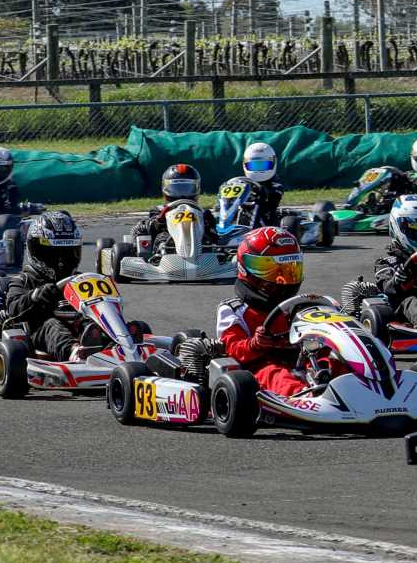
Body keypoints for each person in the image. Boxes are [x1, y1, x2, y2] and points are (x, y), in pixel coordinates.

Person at [211, 226, 314, 397]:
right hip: (257, 368)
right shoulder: (233, 310)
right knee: (275, 374)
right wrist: (254, 344)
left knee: (332, 360)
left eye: (290, 269)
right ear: (247, 268)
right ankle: (304, 397)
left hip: (301, 361)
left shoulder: (299, 306)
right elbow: (232, 348)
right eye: (273, 270)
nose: (283, 279)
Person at [0, 211, 106, 358]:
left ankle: (119, 344)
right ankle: (75, 352)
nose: (61, 262)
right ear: (36, 251)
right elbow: (13, 309)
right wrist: (37, 296)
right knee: (52, 325)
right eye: (54, 255)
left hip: (79, 326)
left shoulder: (79, 280)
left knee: (96, 321)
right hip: (40, 334)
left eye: (67, 254)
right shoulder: (24, 280)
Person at [366, 196, 417, 327]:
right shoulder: (387, 262)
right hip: (402, 308)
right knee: (412, 301)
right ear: (401, 229)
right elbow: (387, 288)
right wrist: (397, 280)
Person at [131, 163, 210, 256]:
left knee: (208, 239)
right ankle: (160, 255)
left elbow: (216, 235)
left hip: (200, 246)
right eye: (177, 189)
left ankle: (211, 254)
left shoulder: (202, 212)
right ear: (166, 188)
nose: (182, 194)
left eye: (187, 188)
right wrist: (158, 222)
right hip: (168, 243)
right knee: (153, 233)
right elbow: (149, 229)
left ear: (196, 188)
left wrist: (209, 223)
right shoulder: (158, 211)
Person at [239, 141, 288, 228]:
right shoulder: (242, 183)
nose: (258, 170)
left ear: (273, 163)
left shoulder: (275, 185)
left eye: (263, 165)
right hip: (239, 215)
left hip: (264, 222)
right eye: (254, 166)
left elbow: (271, 205)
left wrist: (259, 194)